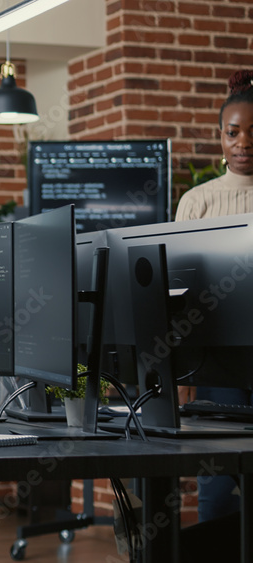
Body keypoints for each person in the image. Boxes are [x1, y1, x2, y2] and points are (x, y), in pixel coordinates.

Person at [174, 68, 253, 526]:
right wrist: (180, 374)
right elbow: (179, 295)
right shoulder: (197, 202)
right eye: (233, 132)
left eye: (252, 132)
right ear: (219, 136)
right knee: (217, 493)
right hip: (216, 364)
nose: (243, 142)